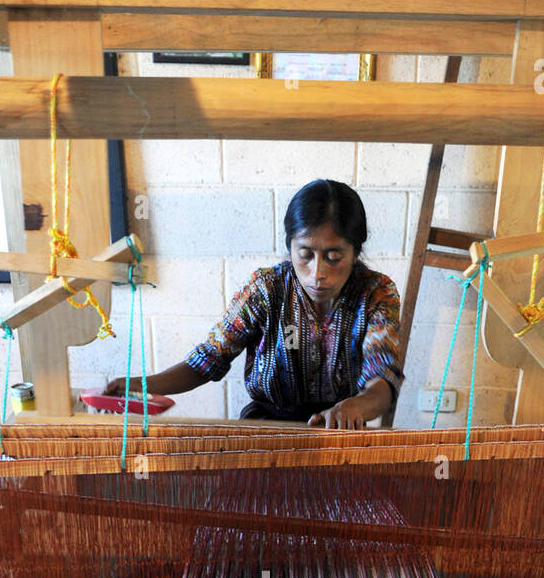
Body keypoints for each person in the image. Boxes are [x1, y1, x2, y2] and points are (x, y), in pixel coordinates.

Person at [104, 179, 404, 430]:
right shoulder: (266, 288)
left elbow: (382, 380)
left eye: (334, 257)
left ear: (356, 250)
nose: (318, 273)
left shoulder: (376, 293)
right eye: (305, 255)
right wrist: (140, 386)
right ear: (290, 247)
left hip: (337, 432)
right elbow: (208, 360)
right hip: (266, 429)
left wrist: (355, 407)